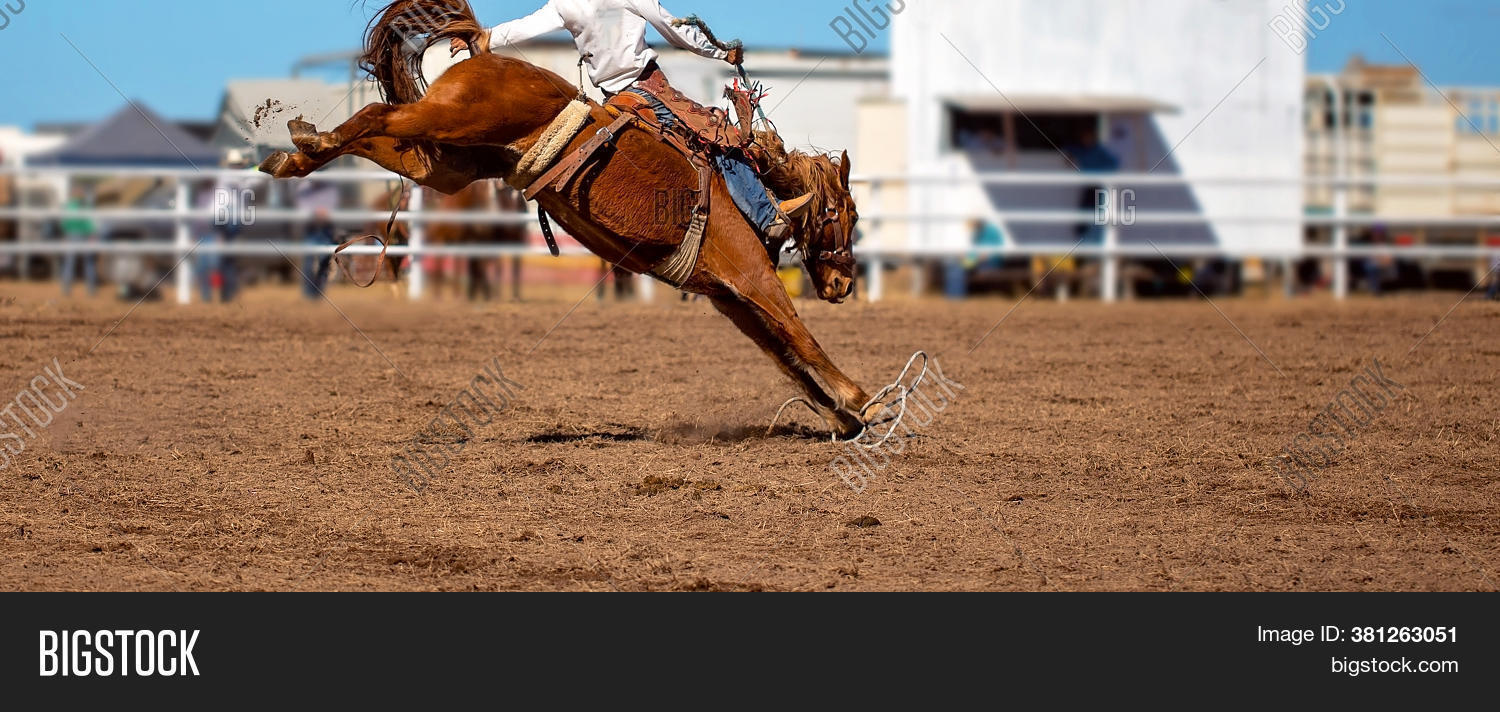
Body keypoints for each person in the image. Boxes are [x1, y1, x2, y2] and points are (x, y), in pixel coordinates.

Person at [455, 0, 812, 241]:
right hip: (649, 90)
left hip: (613, 99)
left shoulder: (565, 3)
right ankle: (767, 217)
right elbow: (673, 29)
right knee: (717, 136)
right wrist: (721, 52)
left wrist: (483, 39)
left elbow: (524, 27)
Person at [59, 185, 99, 297]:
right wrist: (92, 235)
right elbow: (91, 222)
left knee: (70, 262)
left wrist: (64, 236)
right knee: (89, 262)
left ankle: (66, 289)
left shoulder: (68, 206)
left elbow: (64, 223)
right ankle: (91, 289)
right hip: (84, 235)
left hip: (72, 235)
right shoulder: (86, 206)